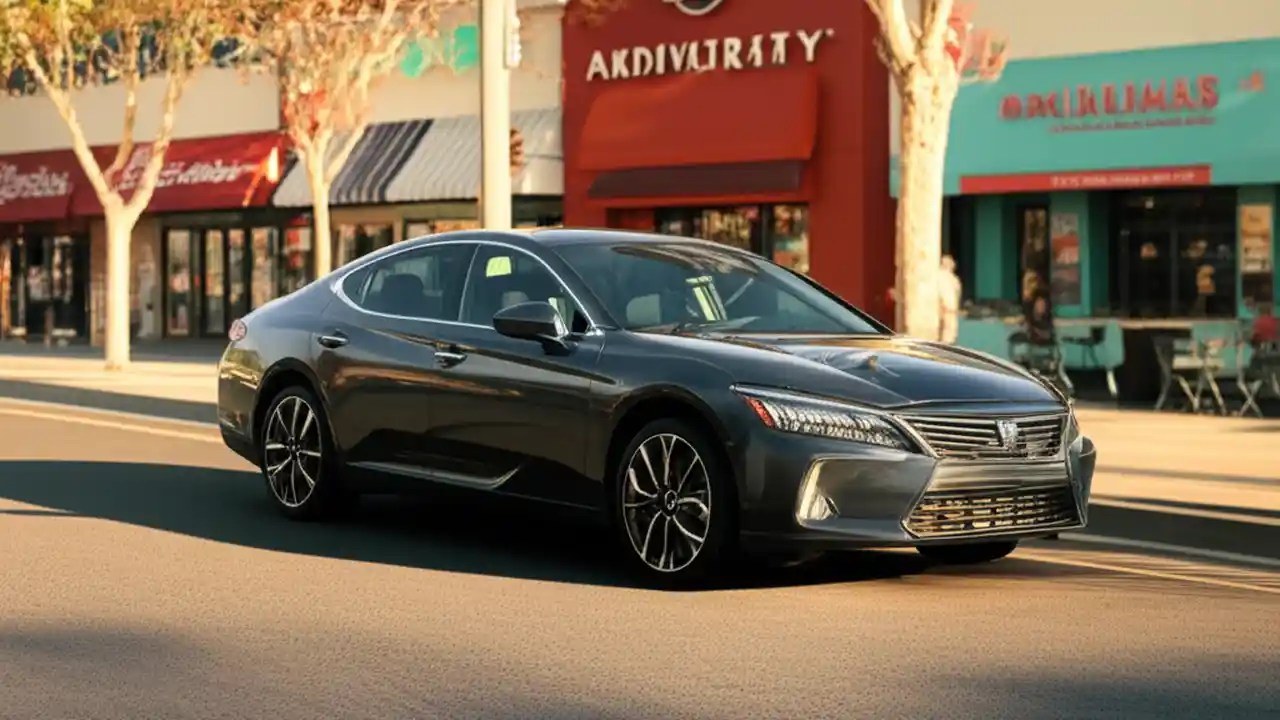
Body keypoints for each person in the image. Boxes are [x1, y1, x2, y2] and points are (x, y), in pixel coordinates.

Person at [938, 255, 962, 343]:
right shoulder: (939, 276)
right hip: (945, 309)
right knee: (946, 335)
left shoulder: (953, 279)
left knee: (949, 334)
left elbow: (957, 293)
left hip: (950, 310)